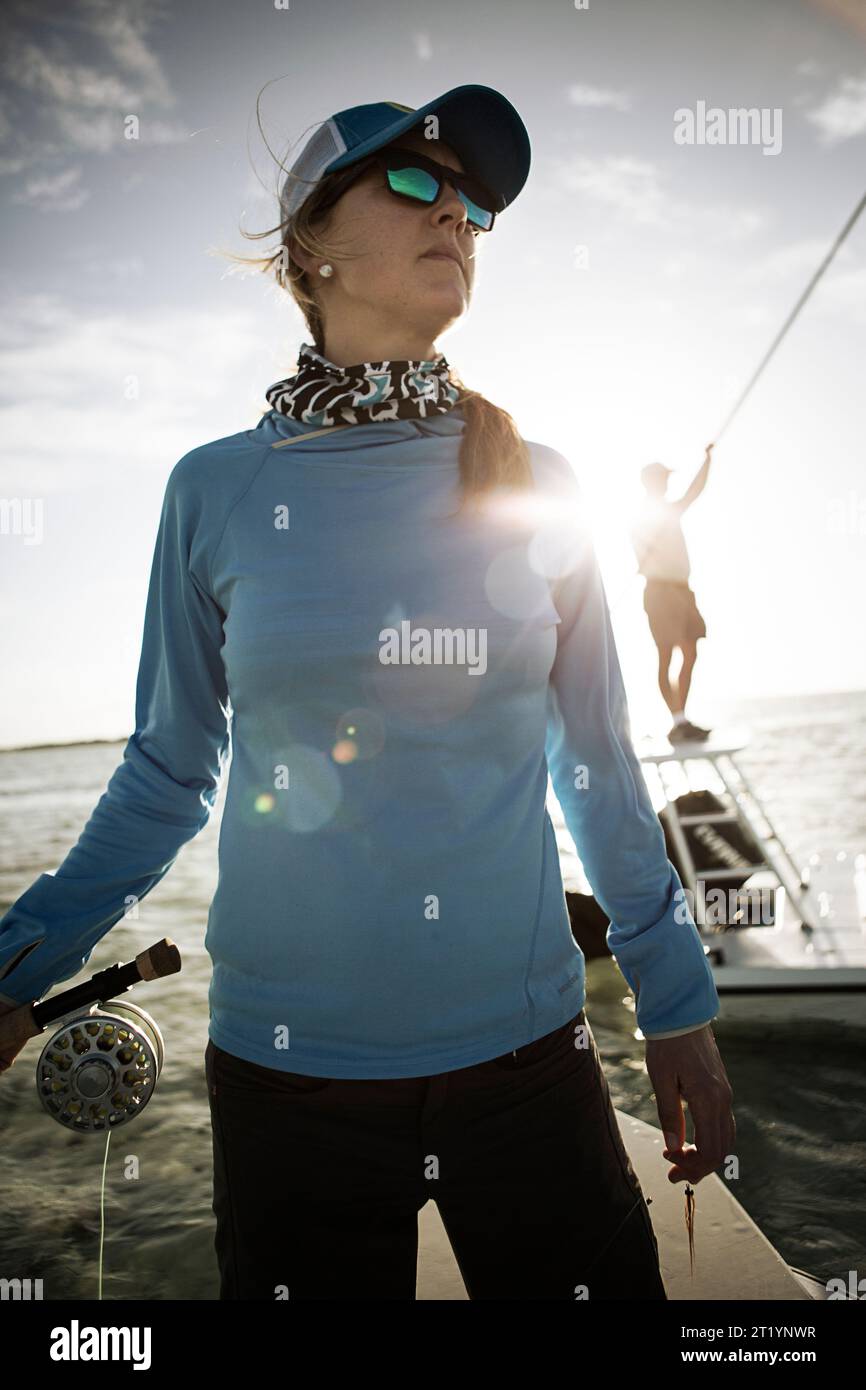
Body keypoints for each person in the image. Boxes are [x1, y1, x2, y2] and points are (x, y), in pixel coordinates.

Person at [0, 84, 735, 1300]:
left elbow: (593, 761)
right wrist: (16, 963)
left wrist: (675, 1003)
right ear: (309, 249)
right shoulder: (213, 493)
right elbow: (170, 773)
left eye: (470, 204)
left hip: (530, 1063)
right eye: (411, 182)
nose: (452, 211)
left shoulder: (542, 482)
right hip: (288, 1083)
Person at [630, 447, 714, 744]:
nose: (666, 482)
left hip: (682, 590)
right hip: (659, 591)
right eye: (662, 477)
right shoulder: (641, 515)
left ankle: (682, 717)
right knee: (665, 653)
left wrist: (708, 461)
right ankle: (677, 721)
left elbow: (694, 491)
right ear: (651, 481)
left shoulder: (670, 509)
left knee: (690, 650)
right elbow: (638, 542)